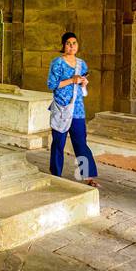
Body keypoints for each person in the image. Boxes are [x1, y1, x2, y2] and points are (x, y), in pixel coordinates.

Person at [47, 32, 98, 186]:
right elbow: (51, 84)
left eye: (74, 43)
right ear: (63, 45)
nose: (71, 46)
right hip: (62, 108)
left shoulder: (82, 64)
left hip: (78, 110)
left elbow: (81, 86)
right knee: (58, 143)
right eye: (68, 43)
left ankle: (88, 176)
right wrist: (71, 80)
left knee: (81, 142)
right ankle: (56, 174)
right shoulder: (57, 63)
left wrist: (83, 83)